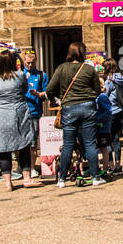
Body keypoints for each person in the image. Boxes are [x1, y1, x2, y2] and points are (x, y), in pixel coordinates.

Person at [45, 41, 106, 188]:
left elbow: (49, 89)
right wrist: (89, 96)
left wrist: (55, 100)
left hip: (69, 107)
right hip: (87, 107)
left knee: (68, 145)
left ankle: (61, 180)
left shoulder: (61, 68)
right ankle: (95, 177)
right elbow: (97, 90)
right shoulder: (89, 69)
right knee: (90, 143)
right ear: (82, 52)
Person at [0, 49, 40, 192]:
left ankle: (8, 183)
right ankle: (27, 178)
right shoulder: (20, 76)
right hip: (17, 115)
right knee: (24, 146)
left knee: (3, 149)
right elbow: (25, 89)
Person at [22, 50, 49, 177]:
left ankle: (32, 167)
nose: (30, 65)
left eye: (32, 63)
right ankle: (22, 168)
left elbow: (47, 92)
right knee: (21, 141)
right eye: (27, 63)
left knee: (33, 142)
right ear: (24, 61)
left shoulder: (41, 75)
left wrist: (38, 94)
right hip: (21, 112)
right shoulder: (19, 75)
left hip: (35, 111)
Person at [103, 58, 123, 171]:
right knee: (116, 139)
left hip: (110, 112)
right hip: (119, 111)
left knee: (107, 139)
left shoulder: (109, 82)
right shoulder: (121, 79)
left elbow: (104, 97)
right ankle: (118, 164)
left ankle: (111, 164)